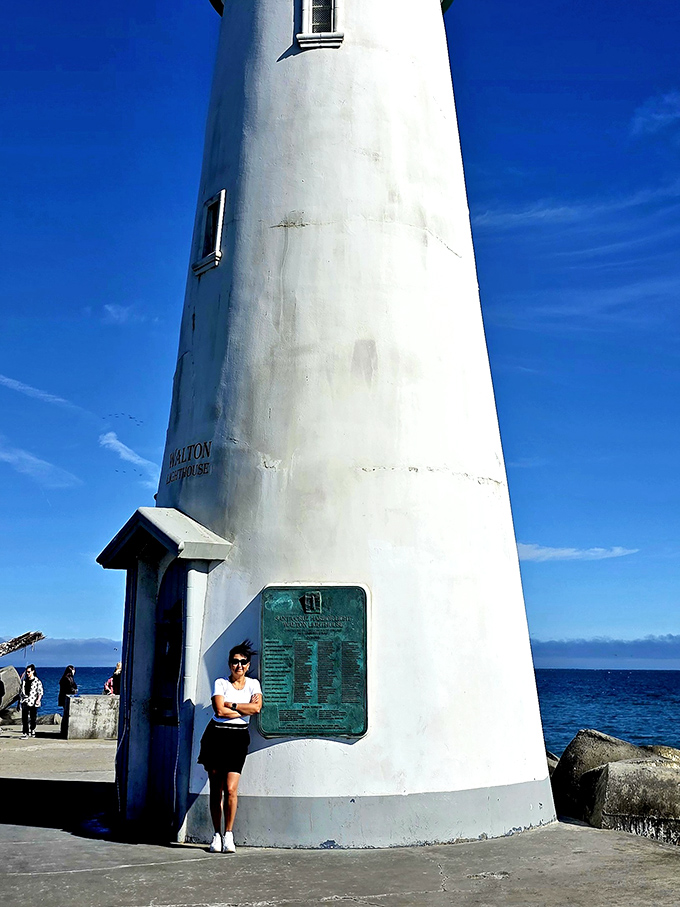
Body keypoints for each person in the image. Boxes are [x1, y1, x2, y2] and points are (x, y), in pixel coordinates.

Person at [197, 639, 262, 854]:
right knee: (217, 789)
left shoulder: (254, 684)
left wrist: (232, 705)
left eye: (244, 662)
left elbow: (257, 708)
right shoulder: (220, 683)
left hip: (238, 738)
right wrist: (245, 709)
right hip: (216, 737)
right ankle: (216, 834)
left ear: (249, 665)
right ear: (229, 664)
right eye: (235, 662)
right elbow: (219, 711)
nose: (239, 666)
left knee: (231, 789)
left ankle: (229, 834)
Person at [19, 664, 43, 739]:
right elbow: (20, 693)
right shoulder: (24, 681)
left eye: (29, 672)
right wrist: (18, 703)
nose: (27, 673)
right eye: (27, 672)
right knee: (24, 718)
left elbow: (40, 692)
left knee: (33, 717)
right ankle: (26, 733)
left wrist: (38, 700)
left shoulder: (37, 681)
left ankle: (32, 729)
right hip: (25, 701)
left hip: (33, 701)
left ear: (33, 671)